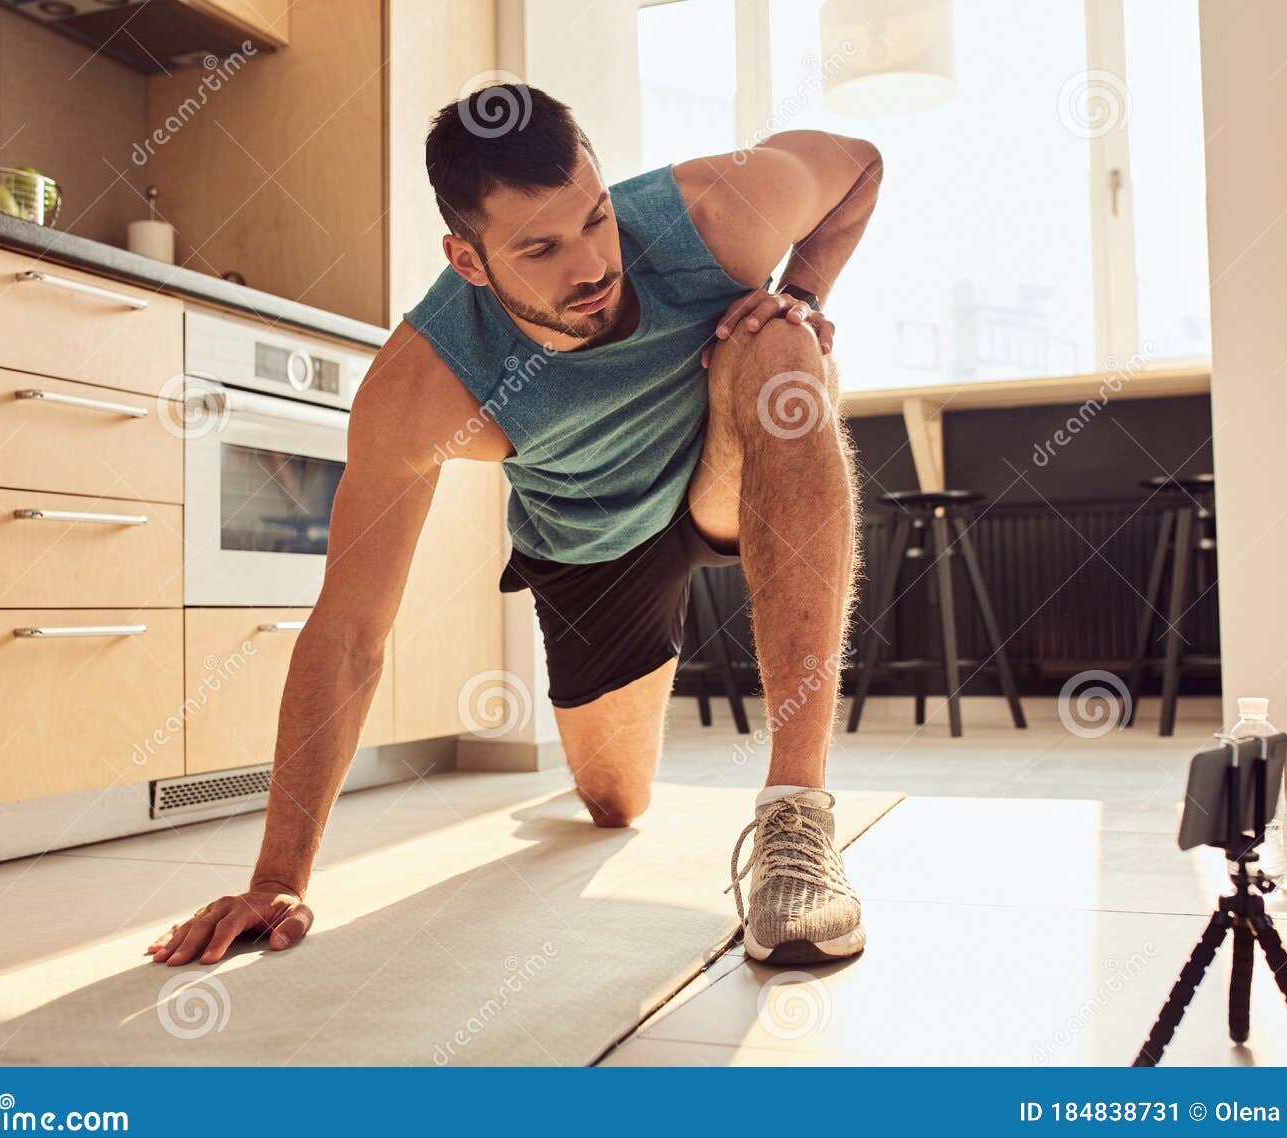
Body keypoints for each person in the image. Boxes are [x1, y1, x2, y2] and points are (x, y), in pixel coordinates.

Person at [148, 84, 882, 968]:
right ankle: (619, 729)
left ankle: (796, 820)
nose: (592, 266)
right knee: (617, 804)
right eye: (540, 247)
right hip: (591, 550)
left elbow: (859, 166)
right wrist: (278, 875)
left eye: (596, 220)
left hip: (716, 457)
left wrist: (799, 290)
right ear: (468, 259)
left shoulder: (716, 214)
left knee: (784, 350)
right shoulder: (425, 383)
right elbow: (347, 631)